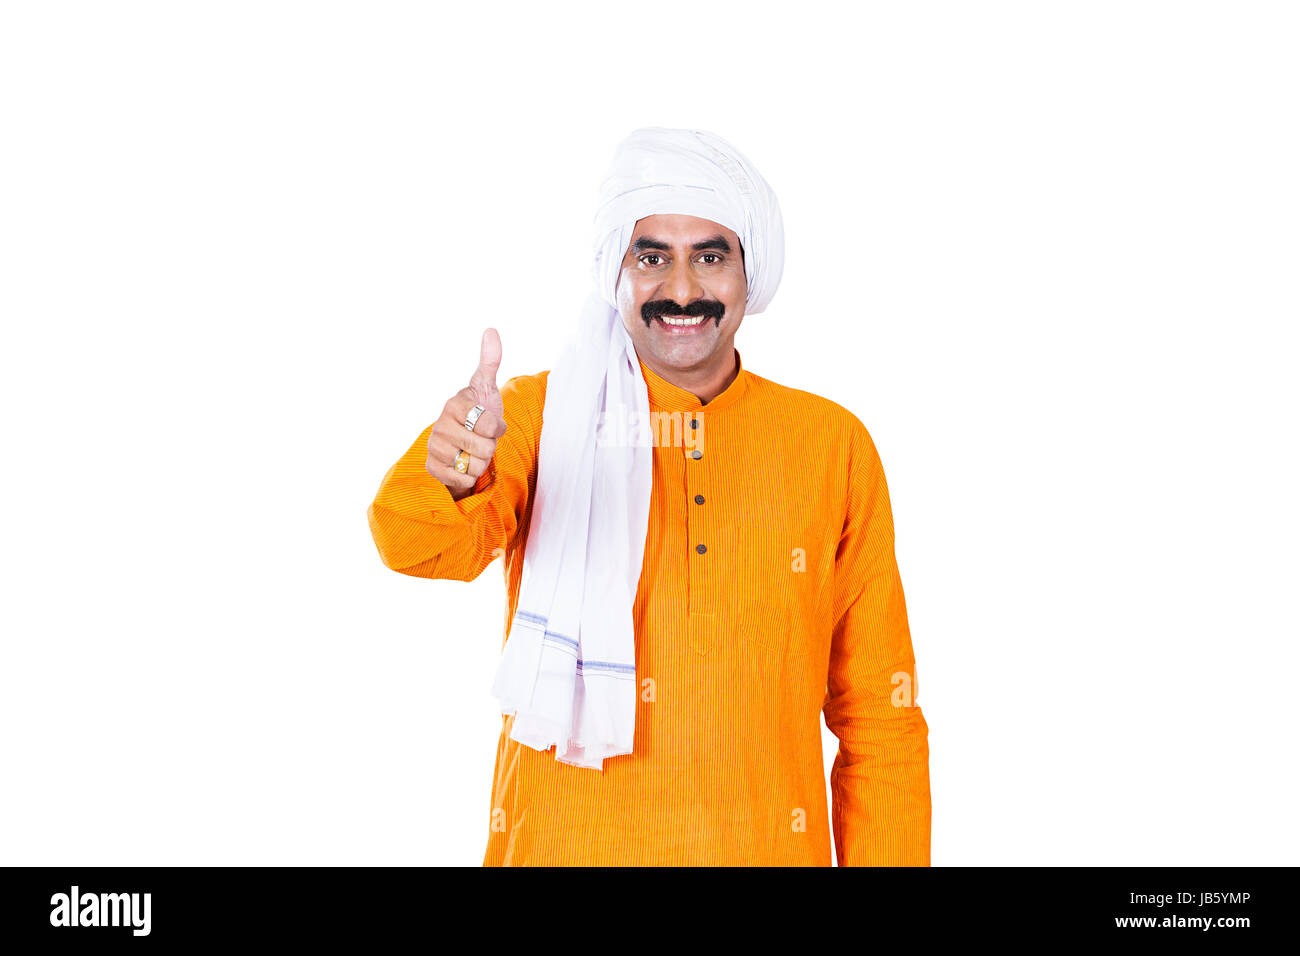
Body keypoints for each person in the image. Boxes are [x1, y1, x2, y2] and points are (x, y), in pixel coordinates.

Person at [366, 127, 931, 865]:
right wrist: (451, 471)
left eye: (711, 255)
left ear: (748, 272)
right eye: (652, 256)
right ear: (616, 270)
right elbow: (414, 544)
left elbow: (879, 723)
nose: (684, 290)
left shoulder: (829, 443)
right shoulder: (539, 416)